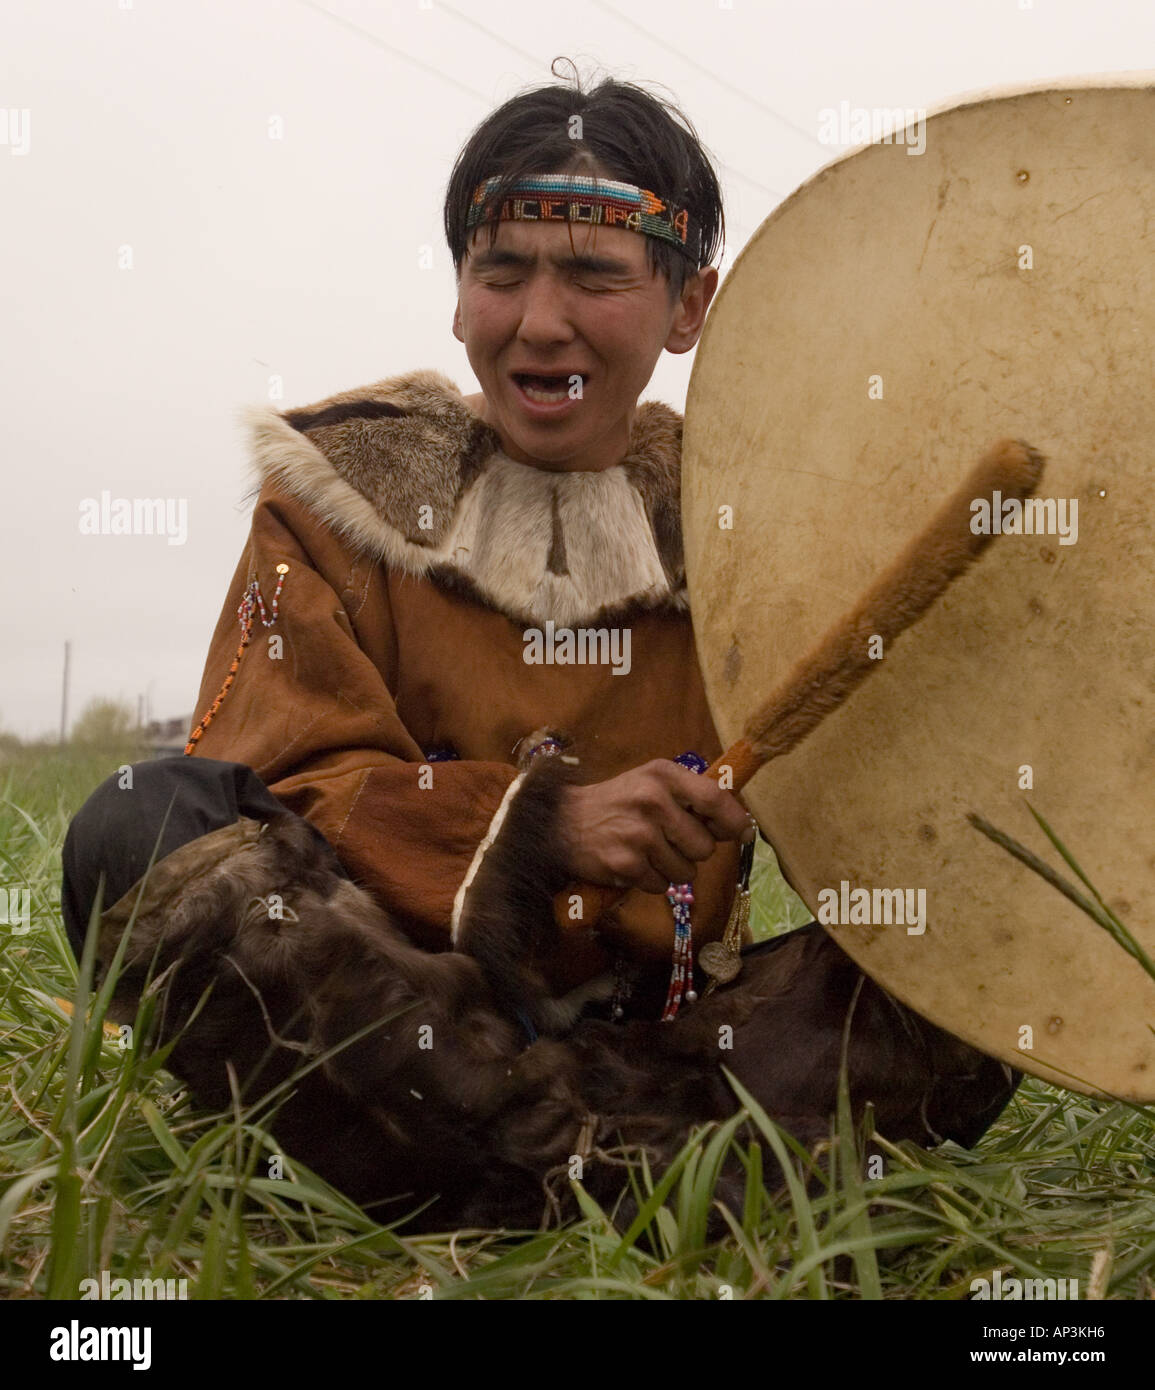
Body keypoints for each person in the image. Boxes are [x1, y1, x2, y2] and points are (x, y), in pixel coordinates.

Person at [61, 67, 1017, 1227]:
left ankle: (486, 1172)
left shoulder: (763, 528)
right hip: (391, 1021)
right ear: (460, 299)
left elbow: (891, 799)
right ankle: (630, 1176)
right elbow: (280, 794)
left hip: (673, 1044)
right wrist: (544, 825)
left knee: (990, 940)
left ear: (688, 307)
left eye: (594, 275)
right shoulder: (330, 505)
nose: (538, 320)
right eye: (501, 270)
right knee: (138, 824)